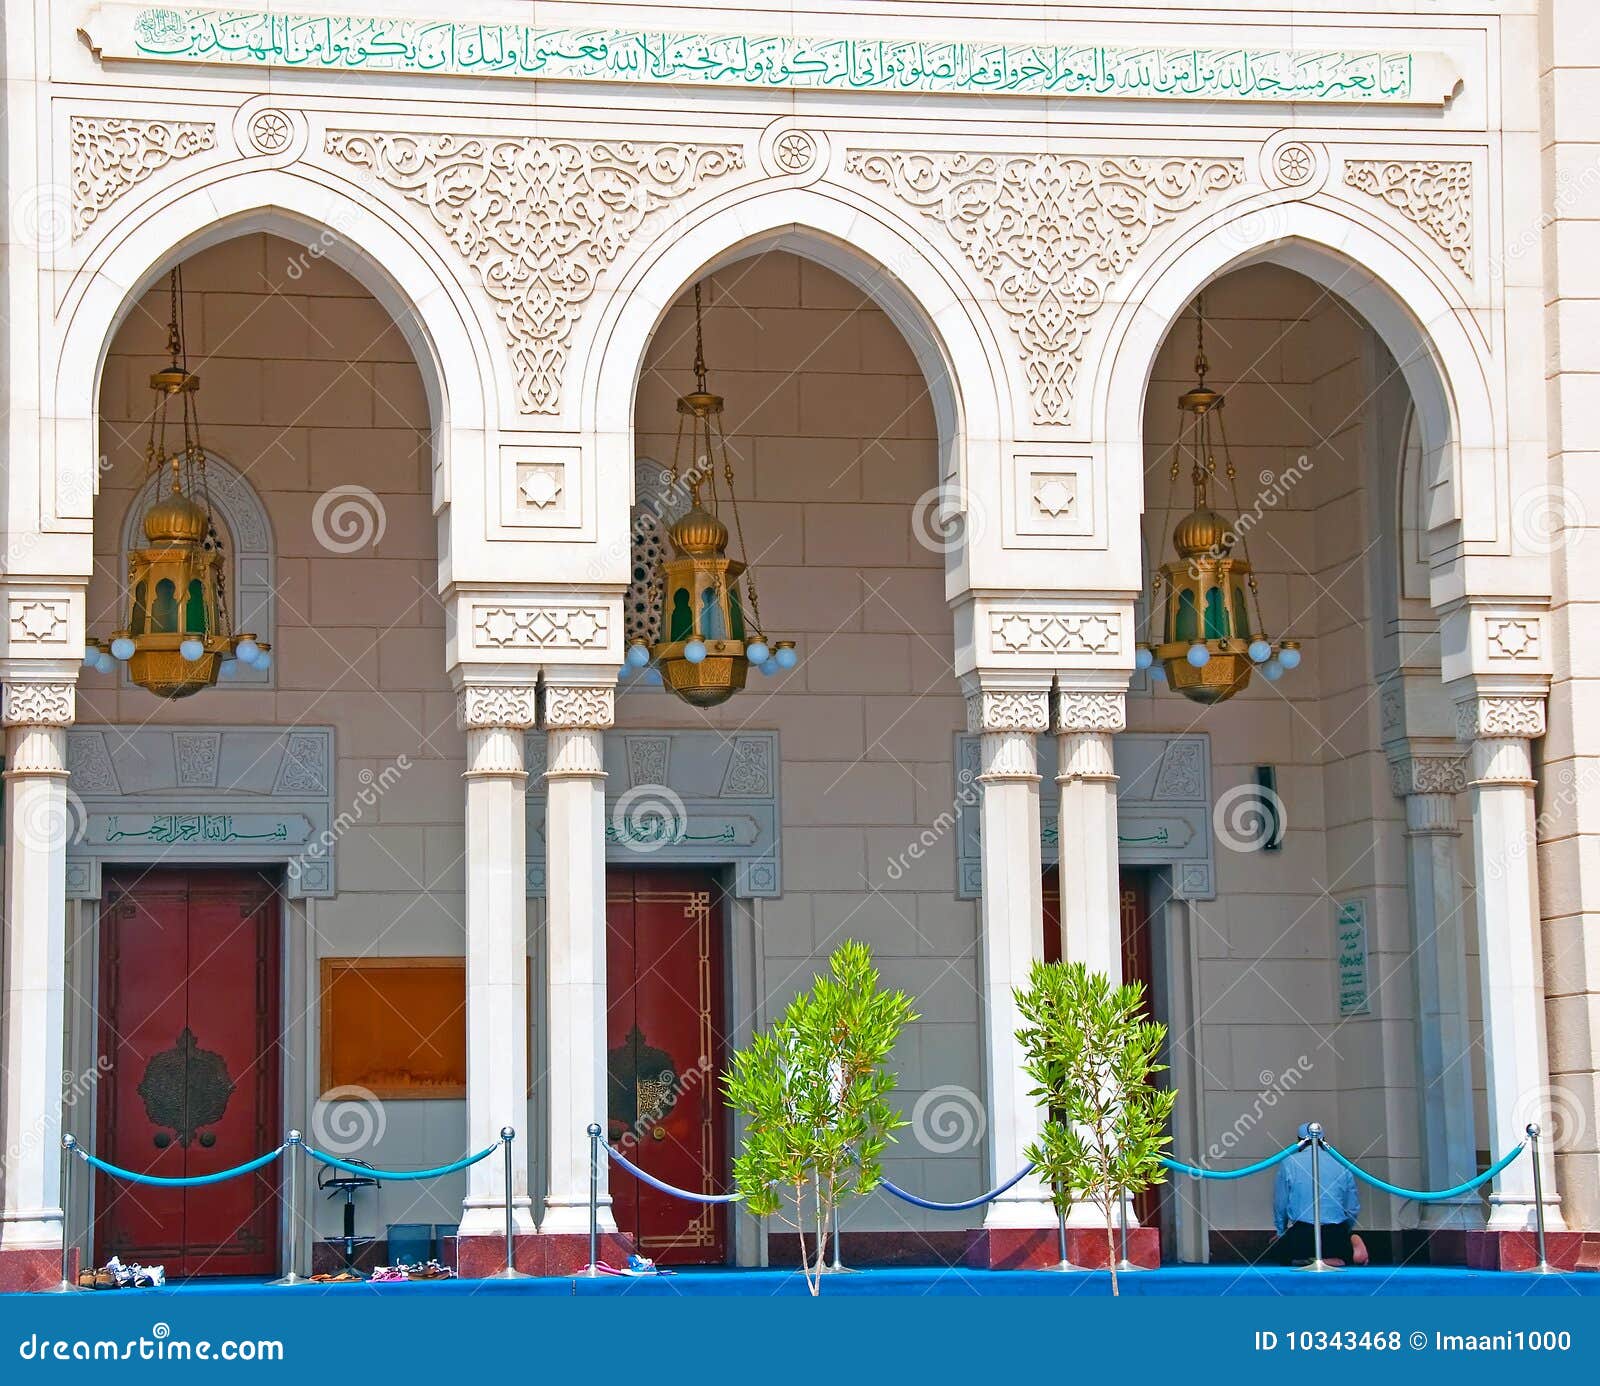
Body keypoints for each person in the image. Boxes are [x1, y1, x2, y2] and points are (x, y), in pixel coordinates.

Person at [1271, 1123, 1369, 1266]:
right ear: (1324, 1140)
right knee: (1339, 1250)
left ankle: (1310, 1258)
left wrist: (1281, 1232)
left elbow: (1281, 1204)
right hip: (1335, 1233)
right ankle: (1347, 1249)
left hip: (1302, 1233)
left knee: (1280, 1253)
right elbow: (1352, 1207)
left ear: (1299, 1141)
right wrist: (1345, 1230)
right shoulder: (1341, 1163)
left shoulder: (1288, 1163)